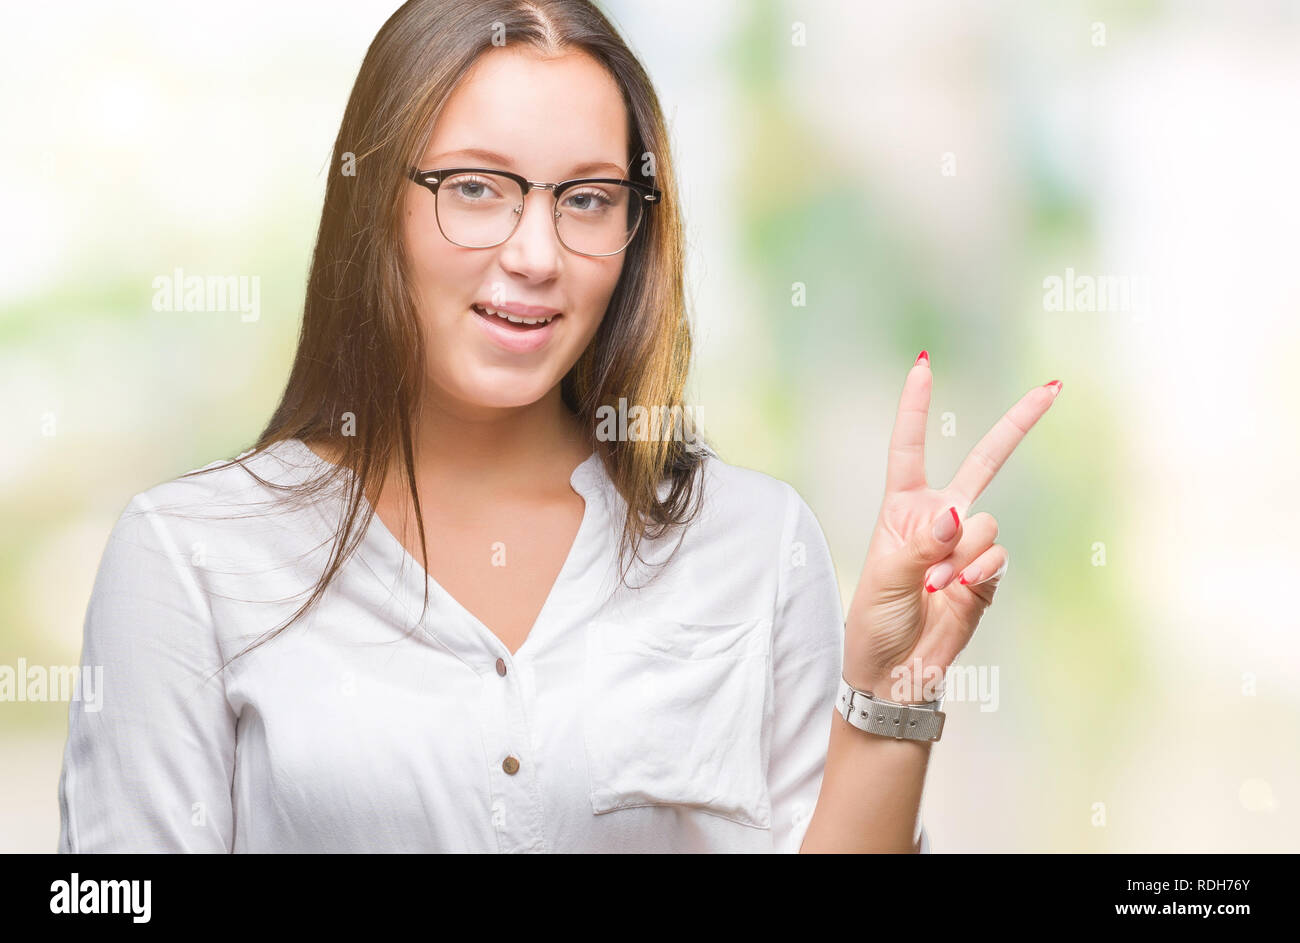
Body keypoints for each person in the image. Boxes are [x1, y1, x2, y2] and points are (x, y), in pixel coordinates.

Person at [57, 0, 1059, 854]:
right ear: (376, 202)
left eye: (585, 198)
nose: (536, 253)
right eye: (477, 188)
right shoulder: (192, 555)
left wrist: (891, 691)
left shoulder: (753, 543)